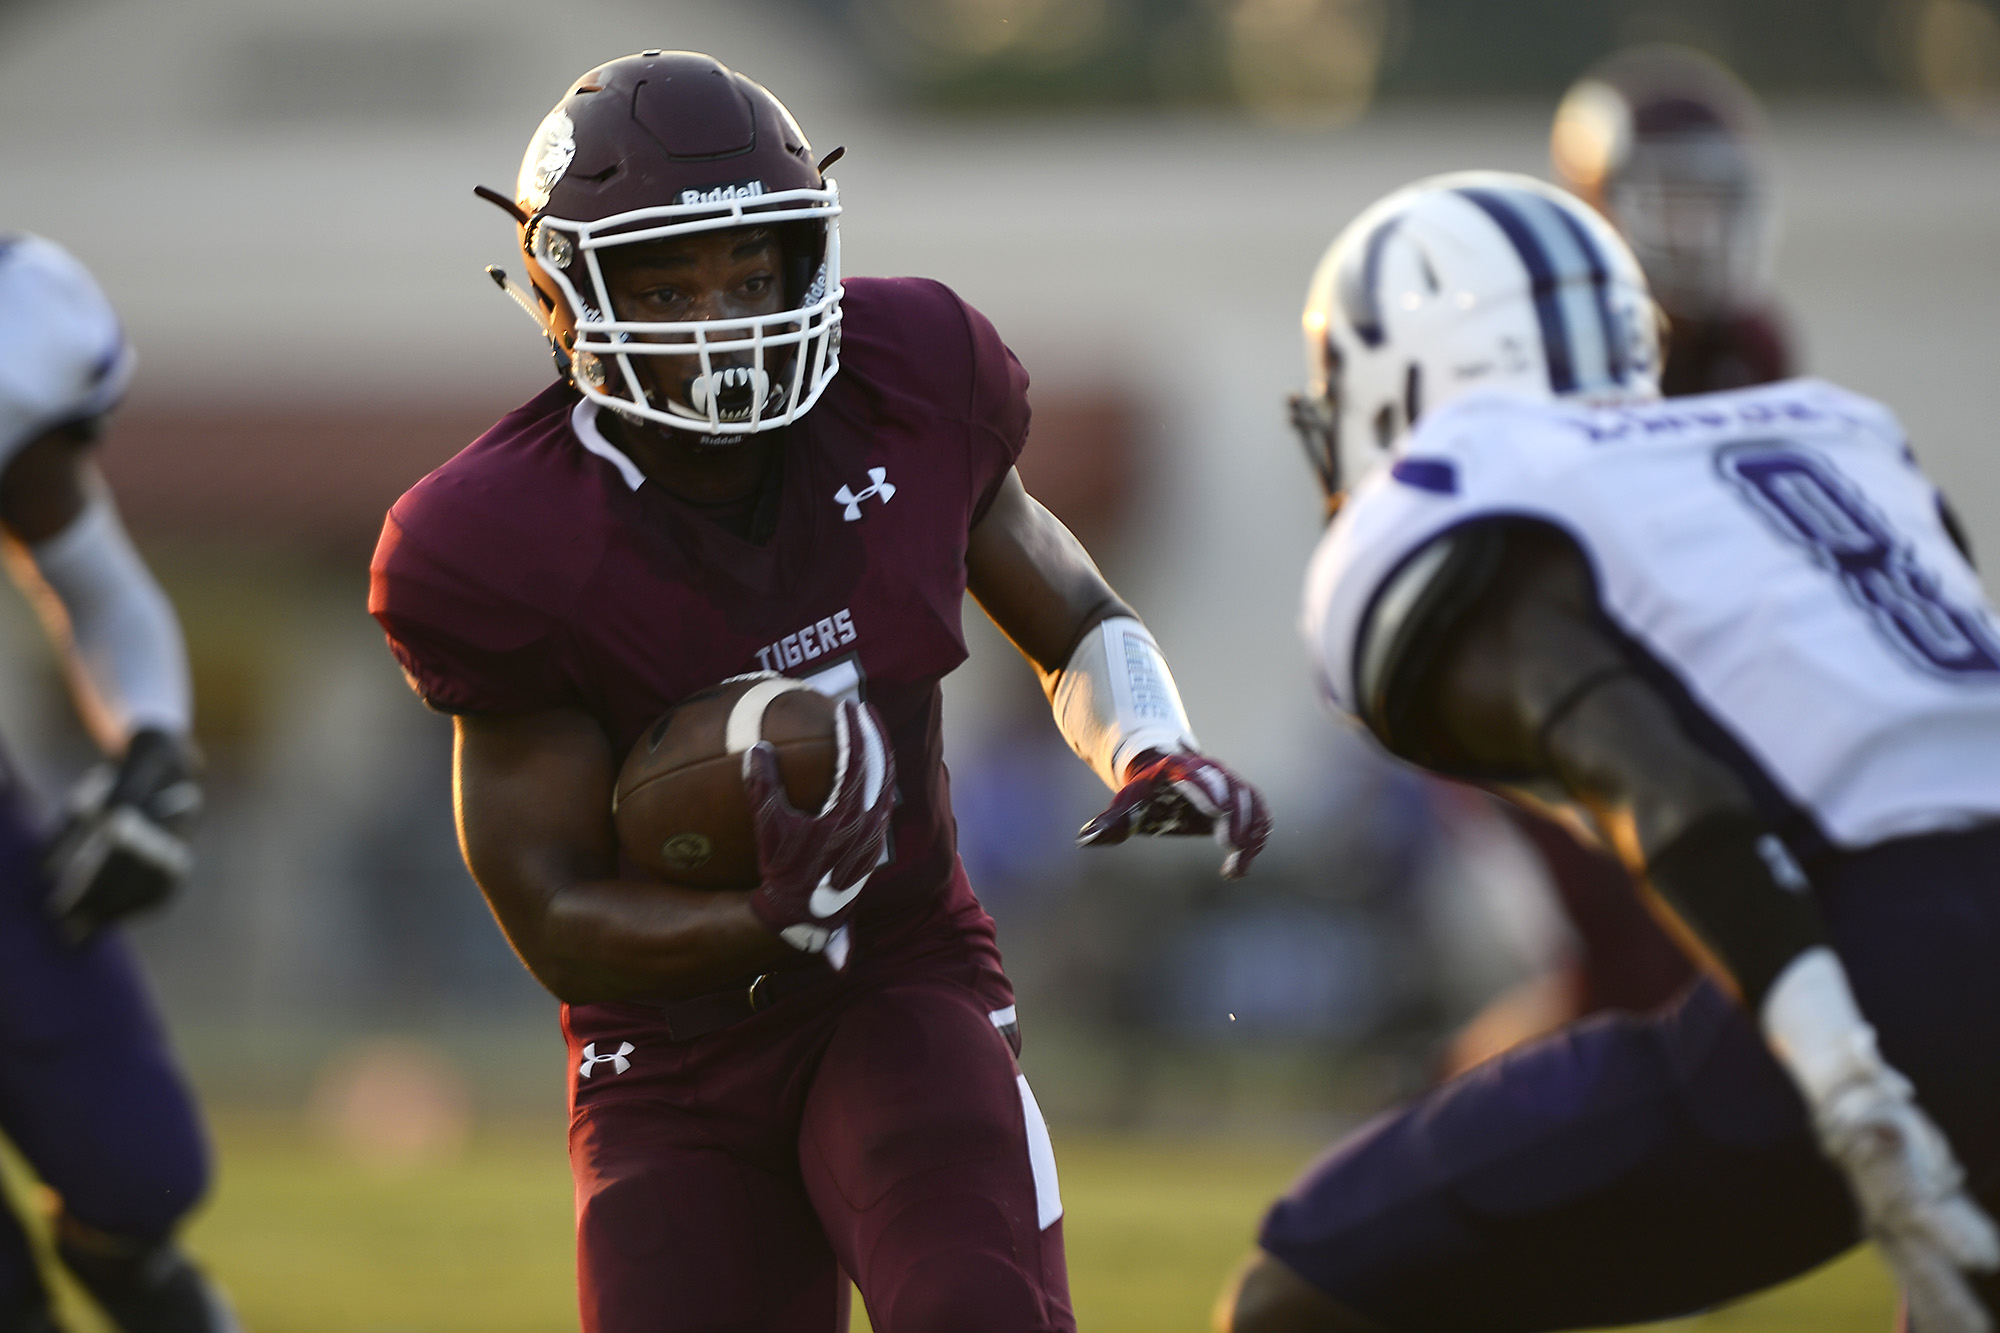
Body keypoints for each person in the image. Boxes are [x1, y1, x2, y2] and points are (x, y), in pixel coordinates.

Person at [368, 50, 1270, 1333]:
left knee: (973, 1307)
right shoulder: (493, 542)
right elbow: (552, 905)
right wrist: (758, 915)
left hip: (895, 974)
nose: (723, 315)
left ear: (808, 257)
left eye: (750, 271)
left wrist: (1151, 747)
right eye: (666, 282)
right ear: (566, 294)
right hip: (669, 1049)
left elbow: (1071, 613)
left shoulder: (911, 376)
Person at [1221, 171, 2000, 1333]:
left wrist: (1840, 1077)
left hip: (1877, 963)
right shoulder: (1832, 429)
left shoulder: (1475, 487)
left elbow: (1649, 771)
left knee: (1303, 1282)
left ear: (1409, 370)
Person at [0, 236, 232, 1332]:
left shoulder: (18, 326)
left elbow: (90, 582)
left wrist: (151, 751)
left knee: (137, 1170)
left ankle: (143, 1287)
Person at [1551, 44, 1794, 395]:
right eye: (1667, 203)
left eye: (1708, 201)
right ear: (1599, 204)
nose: (1694, 227)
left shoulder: (1748, 343)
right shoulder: (1563, 341)